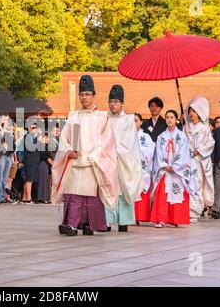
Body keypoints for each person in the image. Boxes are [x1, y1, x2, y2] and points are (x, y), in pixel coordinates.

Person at [52, 75, 119, 236]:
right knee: (73, 193)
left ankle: (91, 224)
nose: (84, 97)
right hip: (76, 161)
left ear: (93, 95)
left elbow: (107, 140)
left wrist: (94, 155)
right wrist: (68, 150)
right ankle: (72, 224)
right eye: (81, 94)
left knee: (91, 196)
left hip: (93, 162)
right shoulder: (74, 116)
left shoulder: (102, 117)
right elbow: (65, 138)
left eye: (87, 94)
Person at [150, 110, 199, 228]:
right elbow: (158, 154)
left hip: (178, 171)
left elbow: (184, 153)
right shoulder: (161, 136)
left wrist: (175, 166)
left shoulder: (182, 136)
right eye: (167, 117)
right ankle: (161, 219)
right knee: (162, 194)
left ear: (176, 119)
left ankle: (175, 218)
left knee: (177, 193)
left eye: (172, 117)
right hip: (165, 170)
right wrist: (164, 165)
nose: (169, 119)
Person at [105, 85, 143, 233]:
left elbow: (129, 143)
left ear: (122, 103)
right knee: (107, 190)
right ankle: (107, 220)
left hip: (122, 161)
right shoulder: (104, 118)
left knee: (123, 190)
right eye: (110, 101)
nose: (112, 104)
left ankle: (124, 221)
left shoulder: (129, 120)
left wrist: (114, 152)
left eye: (115, 101)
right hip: (107, 161)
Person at [183, 96, 215, 222]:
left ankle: (195, 211)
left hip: (199, 161)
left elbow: (210, 143)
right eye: (190, 111)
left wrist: (199, 150)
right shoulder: (186, 127)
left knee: (199, 184)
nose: (191, 113)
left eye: (194, 111)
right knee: (188, 184)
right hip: (188, 160)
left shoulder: (204, 128)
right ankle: (188, 210)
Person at [134, 113, 155, 224]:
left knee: (142, 191)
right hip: (131, 168)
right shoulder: (126, 135)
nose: (134, 123)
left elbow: (151, 150)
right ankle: (131, 217)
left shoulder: (146, 136)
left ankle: (142, 216)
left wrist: (139, 151)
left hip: (143, 168)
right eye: (132, 121)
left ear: (141, 122)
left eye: (136, 120)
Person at [20, 123, 41, 203]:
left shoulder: (36, 137)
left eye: (35, 127)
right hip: (29, 160)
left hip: (34, 160)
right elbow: (31, 148)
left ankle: (25, 198)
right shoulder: (27, 137)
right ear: (29, 128)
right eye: (32, 127)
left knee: (29, 180)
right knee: (29, 180)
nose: (34, 129)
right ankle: (28, 198)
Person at [37, 132, 54, 204]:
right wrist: (53, 164)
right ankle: (42, 198)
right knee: (43, 181)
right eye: (45, 137)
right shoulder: (41, 146)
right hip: (43, 164)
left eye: (48, 137)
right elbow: (46, 157)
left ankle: (46, 197)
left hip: (47, 165)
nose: (47, 139)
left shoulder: (46, 146)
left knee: (46, 182)